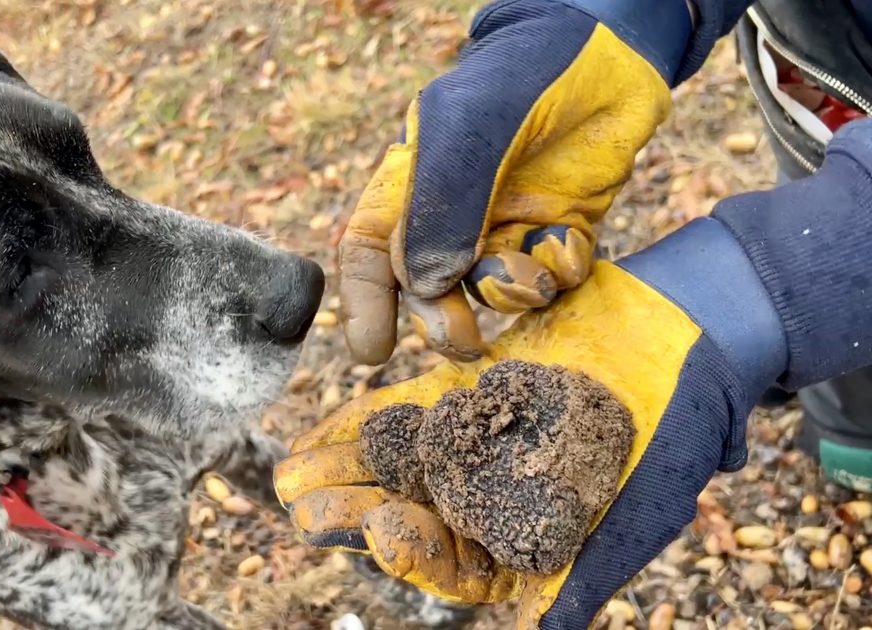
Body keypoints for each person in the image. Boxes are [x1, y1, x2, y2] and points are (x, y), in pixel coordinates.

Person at [273, 0, 872, 627]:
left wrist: (780, 279)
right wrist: (620, 13)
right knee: (847, 391)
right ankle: (850, 426)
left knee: (831, 300)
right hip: (823, 70)